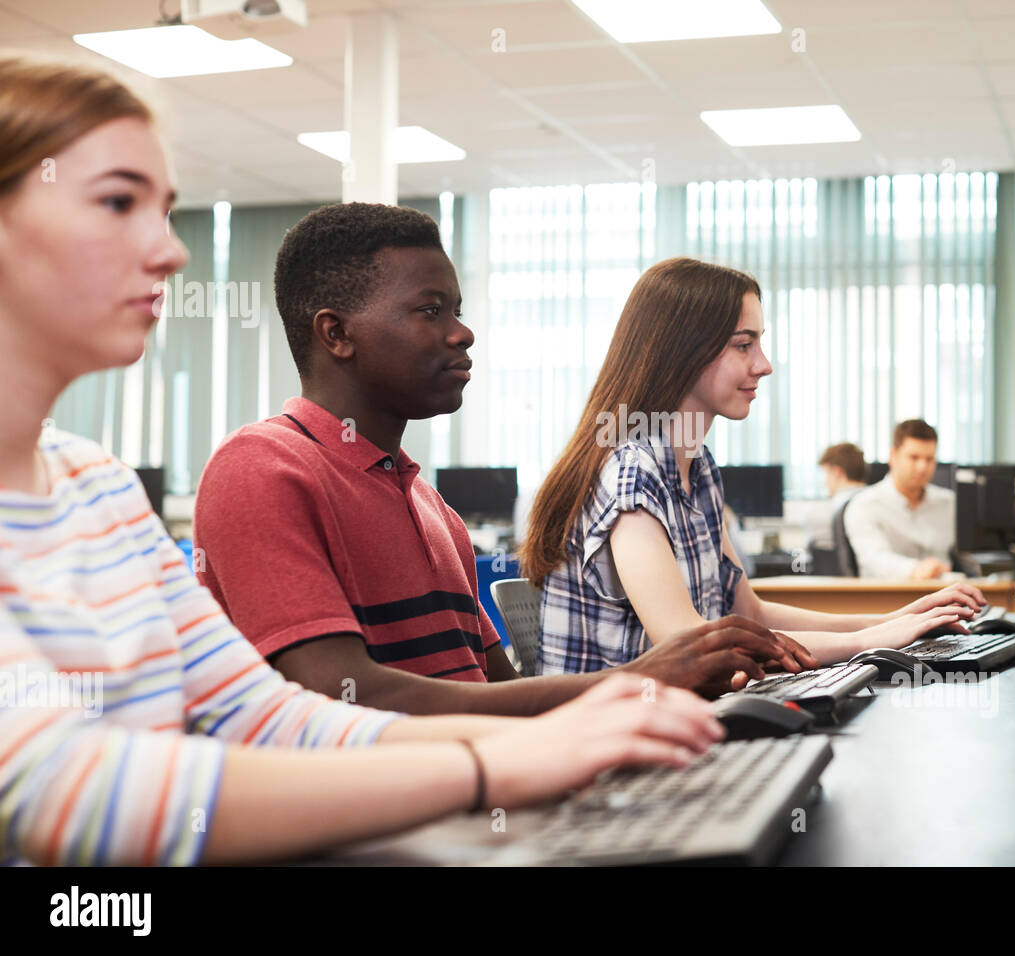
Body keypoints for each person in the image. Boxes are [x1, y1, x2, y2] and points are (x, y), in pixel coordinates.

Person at [0, 54, 726, 866]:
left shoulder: (98, 488)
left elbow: (265, 716)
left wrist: (567, 736)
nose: (170, 251)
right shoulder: (258, 466)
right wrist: (489, 764)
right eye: (117, 202)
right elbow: (61, 791)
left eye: (166, 211)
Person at [192, 203, 797, 714]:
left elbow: (501, 695)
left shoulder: (430, 508)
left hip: (478, 799)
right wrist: (642, 681)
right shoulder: (262, 468)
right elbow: (335, 694)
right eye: (431, 311)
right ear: (336, 334)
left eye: (457, 310)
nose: (462, 333)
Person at [518, 257, 984, 674]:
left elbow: (751, 616)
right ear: (684, 351)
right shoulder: (632, 470)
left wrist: (898, 620)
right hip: (609, 745)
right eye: (745, 345)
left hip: (672, 722)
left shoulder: (697, 467)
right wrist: (867, 642)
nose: (764, 365)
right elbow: (686, 643)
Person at [843, 419, 956, 579]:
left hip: (947, 597)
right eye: (914, 457)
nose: (922, 467)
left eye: (929, 459)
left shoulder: (950, 504)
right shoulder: (864, 505)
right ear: (893, 456)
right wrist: (918, 569)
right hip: (888, 598)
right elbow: (875, 559)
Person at [806, 442, 869, 553]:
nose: (825, 483)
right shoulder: (879, 504)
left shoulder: (820, 515)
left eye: (826, 474)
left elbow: (807, 561)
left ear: (837, 472)